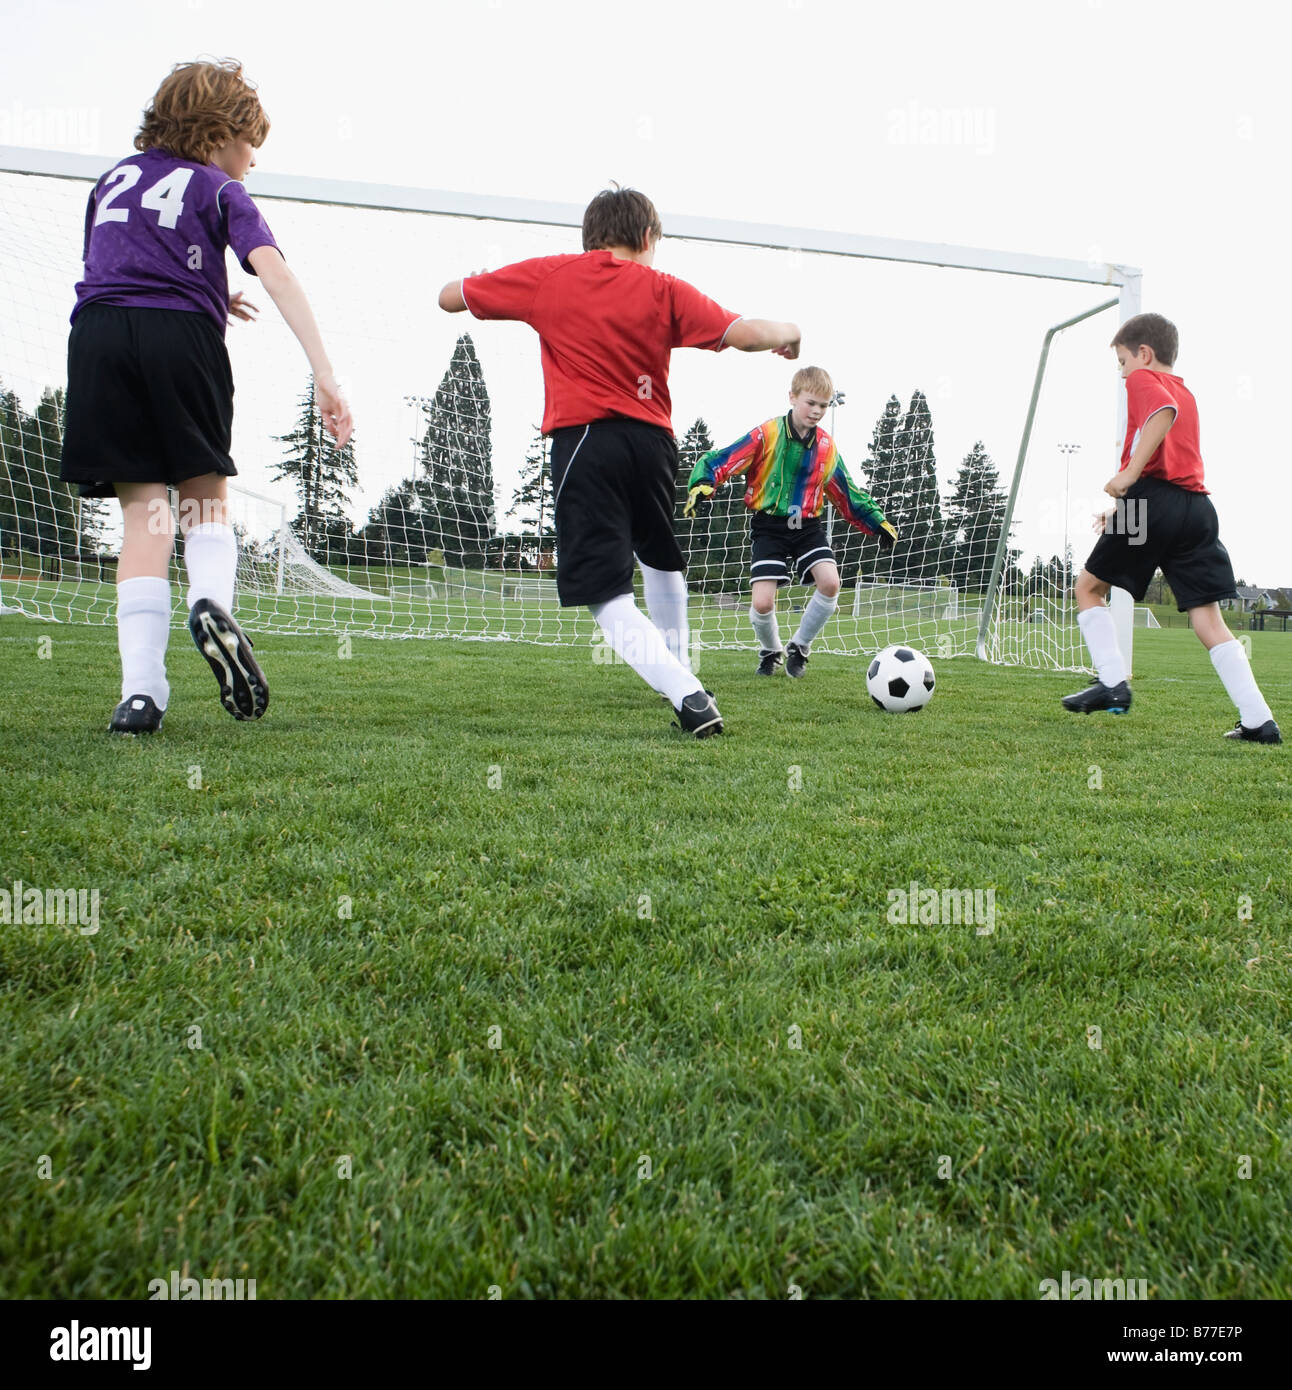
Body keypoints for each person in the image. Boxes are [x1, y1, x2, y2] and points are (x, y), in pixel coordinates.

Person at [438, 185, 800, 738]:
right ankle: (683, 673)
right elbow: (745, 334)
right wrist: (791, 333)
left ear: (590, 238)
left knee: (605, 591)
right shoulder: (663, 288)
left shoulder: (550, 275)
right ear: (649, 237)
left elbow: (448, 297)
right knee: (660, 559)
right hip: (652, 446)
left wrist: (477, 284)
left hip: (585, 442)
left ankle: (688, 696)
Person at [60, 58, 352, 733]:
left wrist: (210, 287)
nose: (252, 160)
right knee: (202, 496)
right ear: (220, 133)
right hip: (180, 341)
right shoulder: (219, 188)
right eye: (250, 143)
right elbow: (275, 270)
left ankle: (141, 695)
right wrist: (325, 372)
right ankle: (214, 604)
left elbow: (120, 261)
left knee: (143, 517)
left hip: (98, 337)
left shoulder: (110, 182)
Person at [1062, 312, 1280, 744]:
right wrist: (1123, 508)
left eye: (1122, 361)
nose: (1122, 371)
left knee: (1088, 588)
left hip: (1153, 502)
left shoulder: (1144, 382)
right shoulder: (1188, 391)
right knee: (1208, 619)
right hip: (1196, 509)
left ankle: (1113, 684)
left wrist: (1128, 481)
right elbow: (1173, 449)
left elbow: (1163, 414)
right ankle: (1259, 720)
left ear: (1144, 353)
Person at [684, 365, 896, 676]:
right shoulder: (767, 434)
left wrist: (877, 522)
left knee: (831, 581)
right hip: (769, 526)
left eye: (823, 405)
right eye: (811, 403)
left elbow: (846, 491)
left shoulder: (826, 447)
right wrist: (704, 483)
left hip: (807, 527)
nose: (817, 411)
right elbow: (727, 458)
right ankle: (771, 652)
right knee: (763, 604)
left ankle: (800, 646)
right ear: (792, 397)